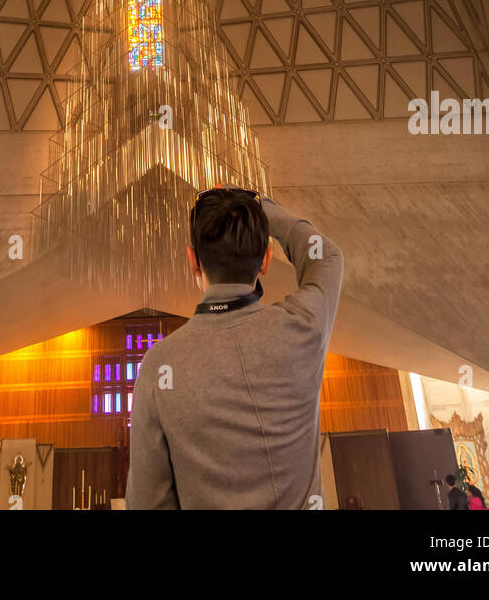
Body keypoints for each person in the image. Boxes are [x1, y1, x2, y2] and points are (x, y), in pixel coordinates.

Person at [125, 186, 344, 509]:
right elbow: (325, 254)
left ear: (193, 261)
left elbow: (147, 503)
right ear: (266, 260)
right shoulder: (303, 329)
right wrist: (259, 207)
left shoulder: (160, 366)